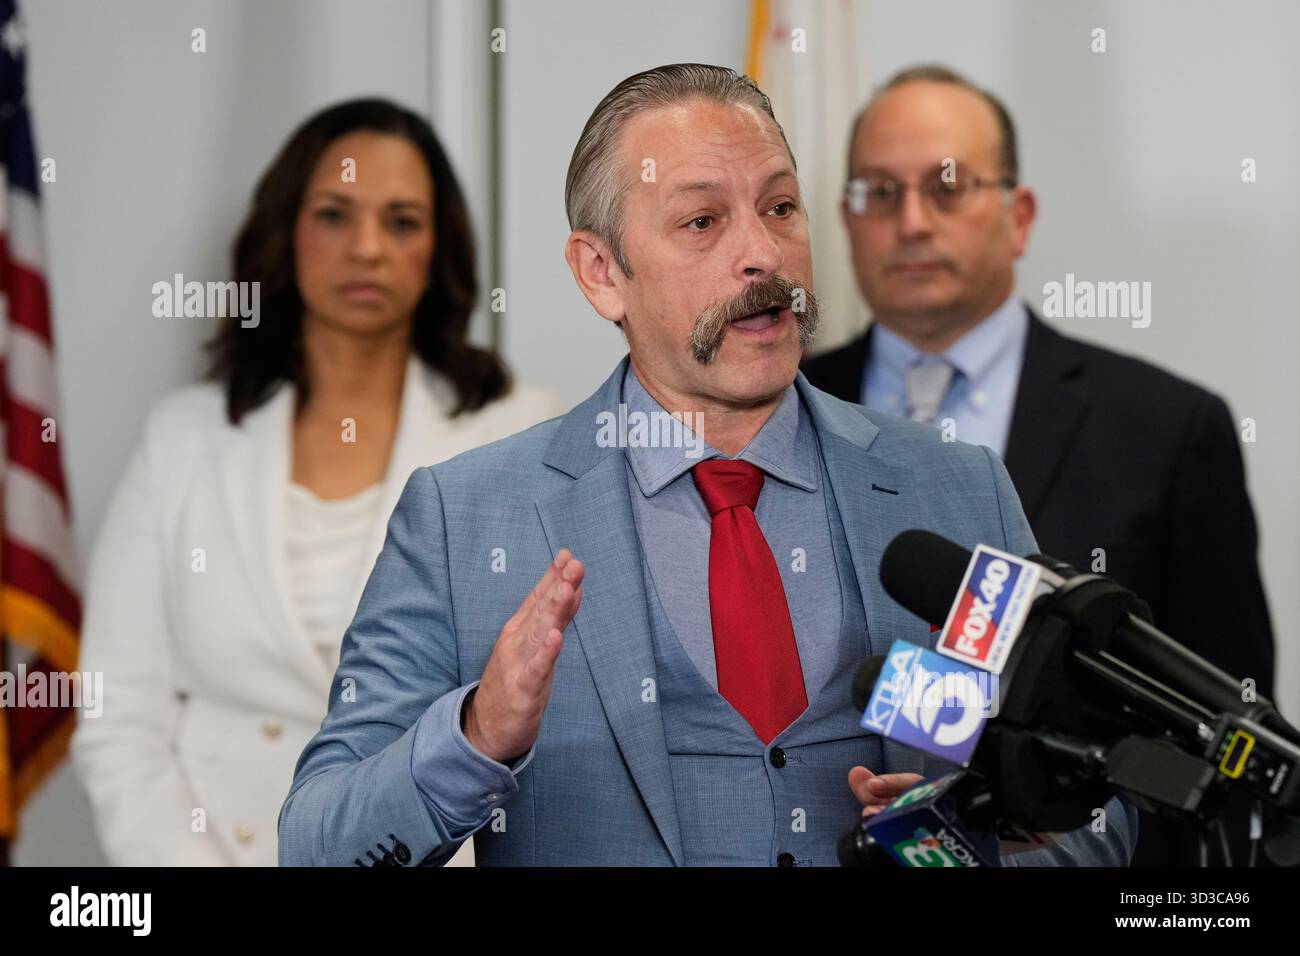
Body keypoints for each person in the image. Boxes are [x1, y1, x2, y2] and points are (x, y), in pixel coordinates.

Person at [278, 64, 1136, 867]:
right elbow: (318, 842)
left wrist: (978, 838)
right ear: (602, 273)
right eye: (702, 222)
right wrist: (474, 735)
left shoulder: (954, 488)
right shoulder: (467, 519)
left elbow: (1102, 810)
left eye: (781, 209)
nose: (761, 254)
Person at [71, 98, 564, 866]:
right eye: (335, 213)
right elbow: (118, 716)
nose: (366, 246)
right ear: (285, 231)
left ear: (439, 249)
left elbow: (549, 717)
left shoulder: (519, 432)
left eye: (401, 221)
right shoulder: (182, 439)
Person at [801, 65, 1273, 866]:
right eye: (879, 192)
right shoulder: (783, 411)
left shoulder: (1166, 430)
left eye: (946, 188)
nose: (911, 221)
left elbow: (1227, 743)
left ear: (1017, 217)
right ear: (846, 221)